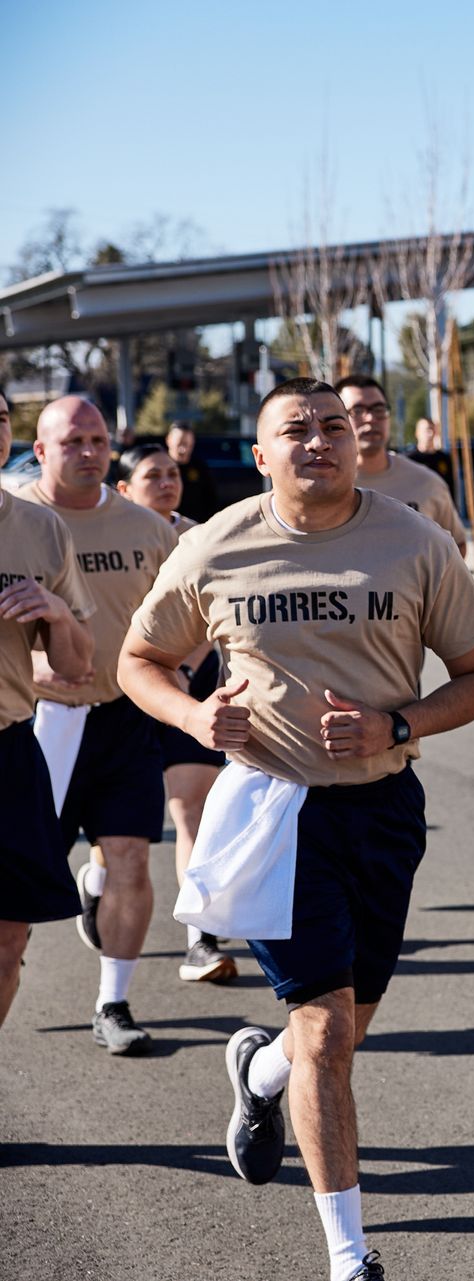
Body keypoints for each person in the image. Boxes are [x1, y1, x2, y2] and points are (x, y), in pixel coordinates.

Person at [121, 377, 474, 1281]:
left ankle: (257, 1075)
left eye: (335, 425)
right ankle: (348, 1253)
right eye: (297, 429)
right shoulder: (218, 544)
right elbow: (139, 659)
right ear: (260, 456)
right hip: (274, 809)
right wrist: (190, 717)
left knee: (344, 1029)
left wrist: (398, 725)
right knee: (328, 1036)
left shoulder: (413, 541)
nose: (321, 440)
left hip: (381, 808)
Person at [20, 397, 179, 1054]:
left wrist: (179, 671)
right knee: (17, 889)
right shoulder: (16, 522)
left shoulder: (145, 527)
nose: (89, 451)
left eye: (98, 439)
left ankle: (113, 1001)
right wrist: (32, 670)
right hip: (30, 726)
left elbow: (188, 613)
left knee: (132, 860)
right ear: (40, 451)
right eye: (73, 441)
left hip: (122, 720)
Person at [115, 442, 237, 982]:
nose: (167, 482)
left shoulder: (201, 534)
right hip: (122, 694)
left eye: (172, 474)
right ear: (124, 489)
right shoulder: (101, 532)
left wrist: (185, 670)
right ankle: (97, 884)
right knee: (120, 833)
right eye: (151, 475)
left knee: (190, 809)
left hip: (191, 686)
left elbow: (215, 617)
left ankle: (200, 939)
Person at [0, 473, 95, 1028]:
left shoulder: (40, 528)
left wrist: (55, 613)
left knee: (9, 942)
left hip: (10, 750)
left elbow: (78, 665)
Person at [335, 376, 468, 555]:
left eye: (379, 409)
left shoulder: (427, 482)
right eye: (357, 410)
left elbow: (456, 545)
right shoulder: (322, 485)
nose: (370, 418)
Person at [168, 421, 220, 522]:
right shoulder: (160, 468)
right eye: (179, 444)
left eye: (187, 445)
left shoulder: (199, 467)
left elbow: (211, 498)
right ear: (169, 440)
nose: (183, 449)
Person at [405, 416, 458, 489]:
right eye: (427, 430)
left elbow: (450, 487)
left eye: (433, 430)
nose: (431, 434)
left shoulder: (444, 458)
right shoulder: (409, 460)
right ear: (417, 433)